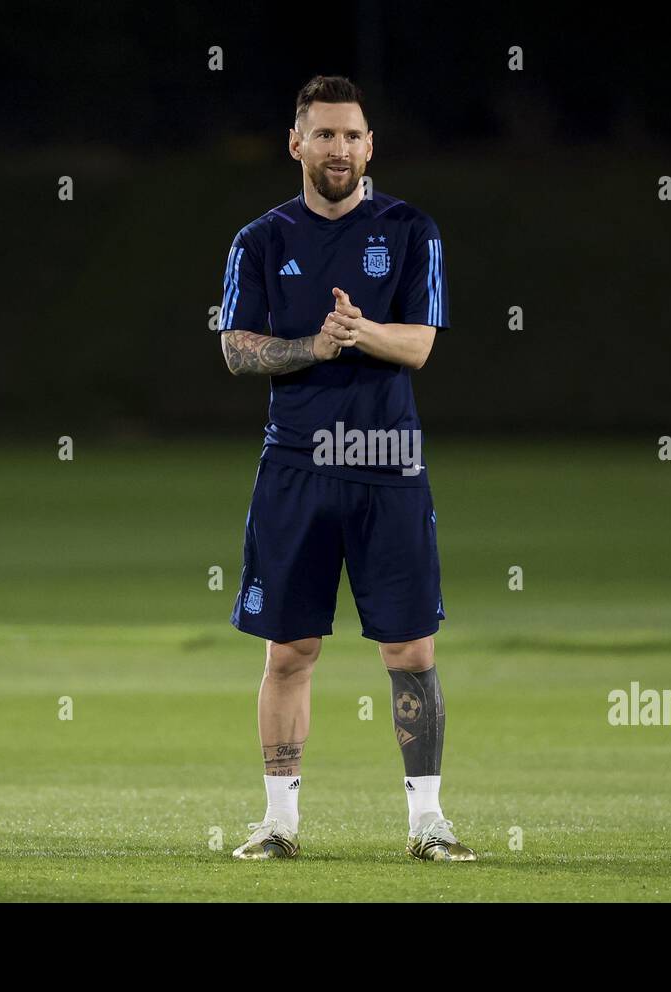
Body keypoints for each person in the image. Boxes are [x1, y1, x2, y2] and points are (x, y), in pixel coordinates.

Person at [217, 75, 473, 862]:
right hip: (295, 469)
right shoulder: (259, 240)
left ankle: (428, 823)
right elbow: (236, 348)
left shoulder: (409, 229)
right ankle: (278, 825)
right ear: (296, 143)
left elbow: (422, 345)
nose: (340, 149)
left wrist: (359, 333)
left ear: (371, 146)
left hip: (388, 466)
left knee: (411, 653)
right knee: (289, 652)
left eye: (353, 136)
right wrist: (312, 348)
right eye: (324, 135)